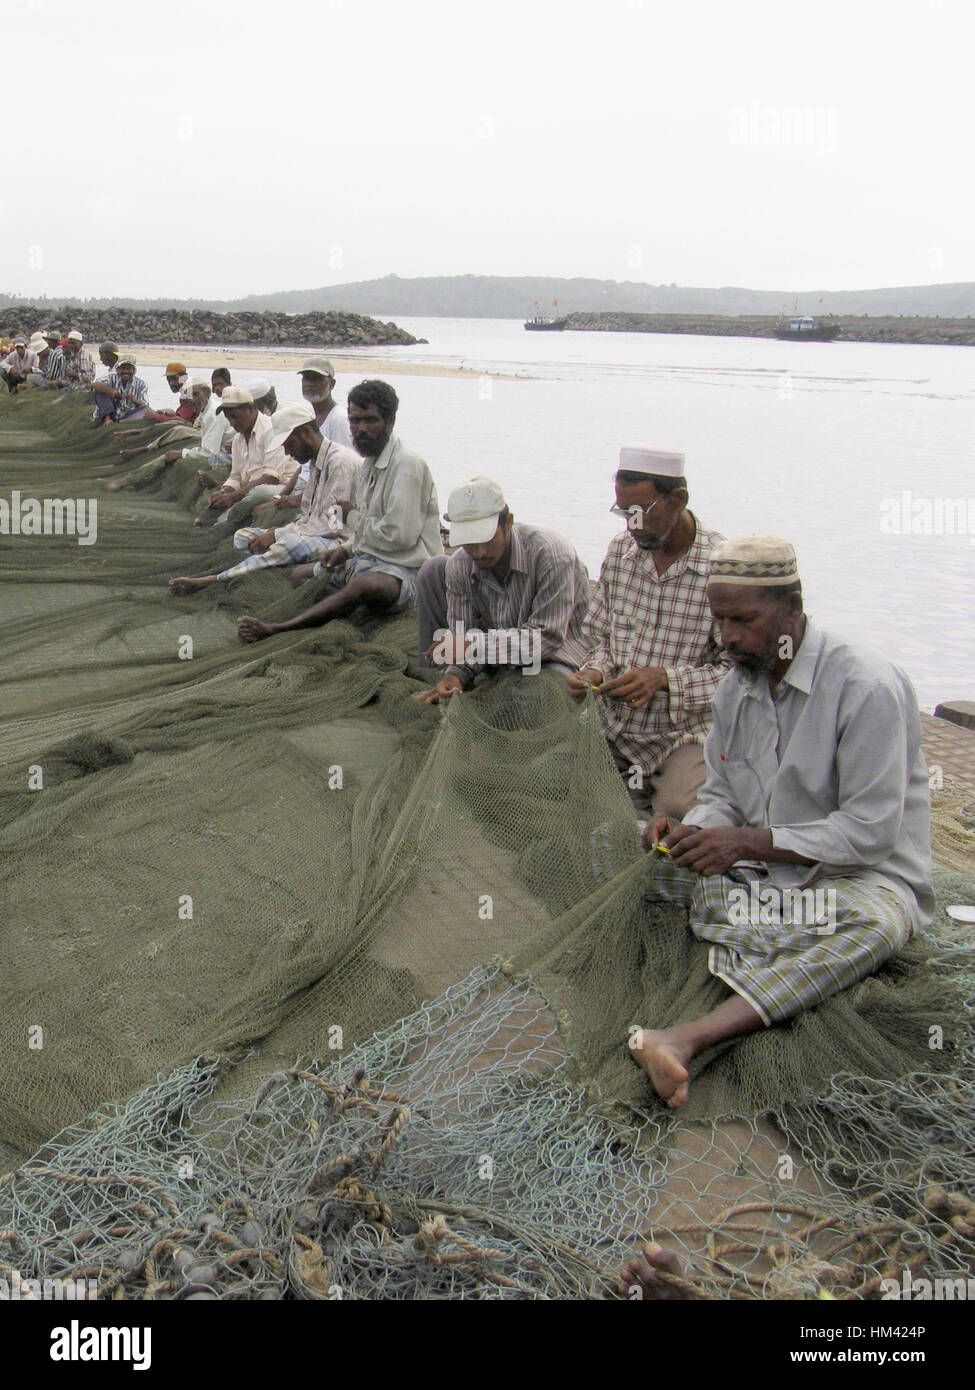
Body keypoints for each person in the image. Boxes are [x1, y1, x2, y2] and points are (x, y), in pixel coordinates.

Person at [627, 535, 933, 1115]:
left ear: (792, 606)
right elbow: (722, 796)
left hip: (863, 879)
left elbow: (870, 833)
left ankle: (688, 1036)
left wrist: (744, 842)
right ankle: (766, 950)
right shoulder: (735, 689)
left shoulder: (866, 687)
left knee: (870, 928)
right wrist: (687, 831)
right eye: (719, 620)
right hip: (763, 873)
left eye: (745, 619)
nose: (729, 637)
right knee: (633, 860)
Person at [568, 445, 728, 822]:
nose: (632, 525)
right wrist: (594, 672)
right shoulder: (622, 553)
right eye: (625, 513)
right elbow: (601, 639)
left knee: (677, 812)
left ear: (679, 499)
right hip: (617, 728)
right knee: (562, 793)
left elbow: (738, 676)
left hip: (685, 735)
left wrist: (665, 681)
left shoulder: (720, 568)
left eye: (642, 512)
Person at [237, 379, 442, 642]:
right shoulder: (369, 464)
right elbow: (366, 529)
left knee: (368, 585)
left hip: (407, 570)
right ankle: (352, 608)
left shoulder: (406, 466)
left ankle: (279, 629)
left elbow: (398, 538)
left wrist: (352, 516)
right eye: (355, 421)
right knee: (302, 576)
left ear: (390, 421)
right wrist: (344, 550)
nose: (360, 429)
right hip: (370, 559)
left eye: (370, 420)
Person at [412, 477, 590, 703]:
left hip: (553, 658)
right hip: (495, 654)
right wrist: (456, 675)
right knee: (435, 567)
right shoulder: (460, 564)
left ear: (508, 522)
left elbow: (546, 639)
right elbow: (462, 634)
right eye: (470, 543)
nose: (479, 553)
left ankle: (498, 690)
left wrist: (471, 645)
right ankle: (492, 685)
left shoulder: (551, 554)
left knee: (542, 697)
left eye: (486, 540)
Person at [169, 402, 360, 593]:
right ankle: (254, 565)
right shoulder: (316, 463)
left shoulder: (339, 462)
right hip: (315, 533)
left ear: (307, 433)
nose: (287, 452)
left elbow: (334, 525)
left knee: (289, 544)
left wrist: (279, 534)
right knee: (242, 536)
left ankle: (215, 579)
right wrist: (280, 530)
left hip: (340, 541)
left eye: (289, 444)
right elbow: (308, 517)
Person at [196, 385, 295, 531]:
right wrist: (225, 491)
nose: (232, 422)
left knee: (259, 492)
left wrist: (233, 496)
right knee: (219, 498)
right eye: (228, 418)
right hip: (250, 490)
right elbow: (235, 477)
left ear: (250, 408)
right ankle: (219, 521)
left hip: (281, 489)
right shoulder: (238, 439)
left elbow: (271, 478)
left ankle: (224, 523)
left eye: (235, 417)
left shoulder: (270, 429)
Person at [273, 357, 353, 509]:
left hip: (319, 494)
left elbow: (343, 472)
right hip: (306, 487)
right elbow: (306, 466)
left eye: (316, 379)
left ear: (332, 384)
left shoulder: (338, 418)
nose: (309, 384)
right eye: (306, 379)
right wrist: (281, 494)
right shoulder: (309, 416)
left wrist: (300, 498)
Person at [91, 353, 150, 423]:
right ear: (118, 369)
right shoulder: (110, 377)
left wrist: (134, 400)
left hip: (129, 415)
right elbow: (94, 384)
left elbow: (146, 406)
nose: (125, 371)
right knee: (99, 391)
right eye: (123, 368)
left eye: (128, 368)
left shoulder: (141, 384)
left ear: (134, 370)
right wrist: (112, 392)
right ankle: (107, 418)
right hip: (111, 412)